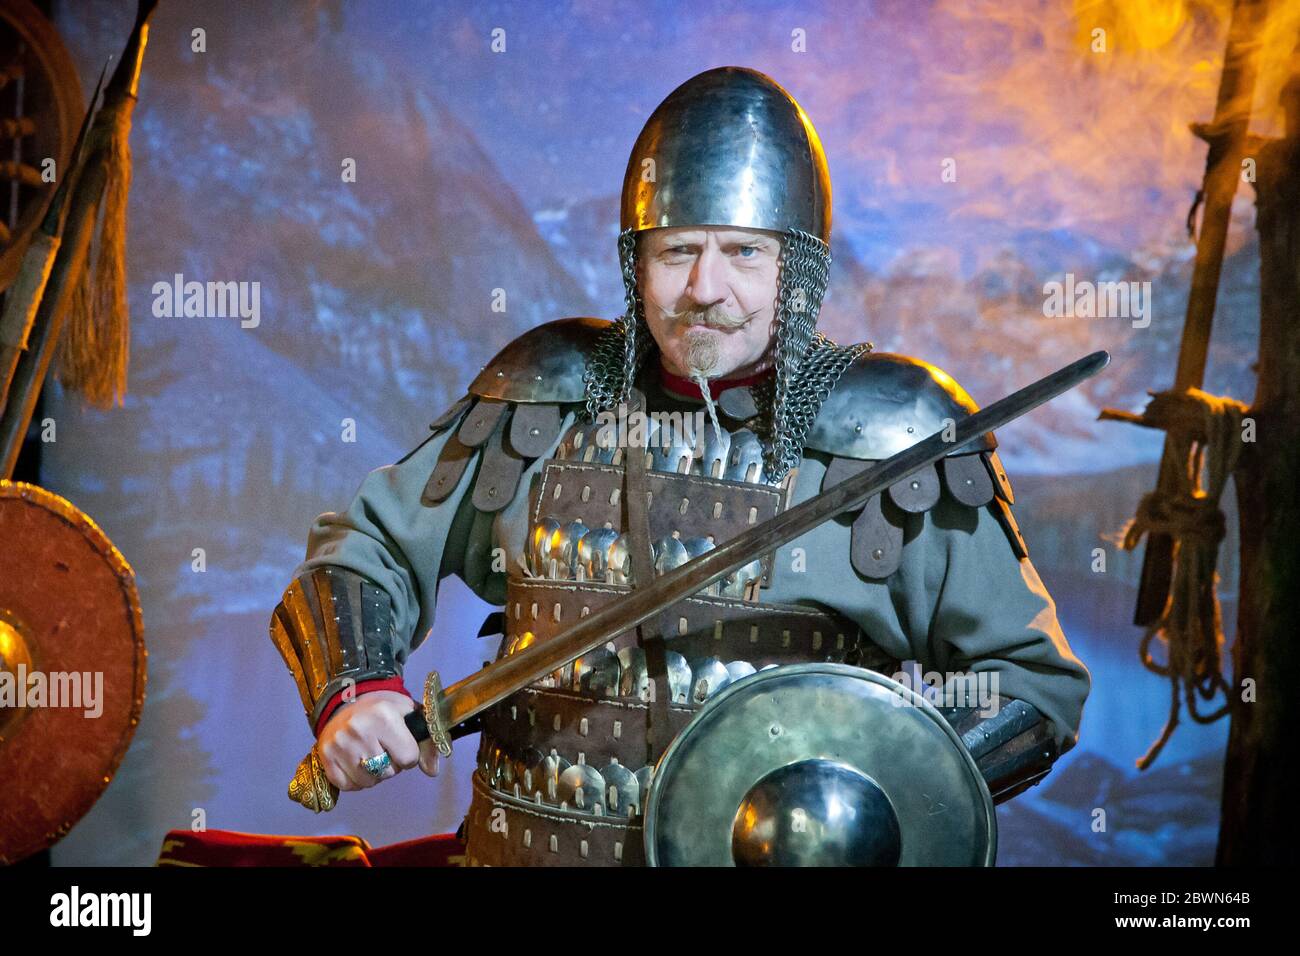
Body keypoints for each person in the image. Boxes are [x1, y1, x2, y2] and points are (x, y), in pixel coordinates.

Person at [268, 66, 1090, 866]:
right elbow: (361, 547)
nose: (705, 286)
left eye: (742, 252)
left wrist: (870, 783)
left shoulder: (892, 435)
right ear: (636, 262)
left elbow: (1031, 689)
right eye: (677, 252)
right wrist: (358, 688)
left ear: (794, 270)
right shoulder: (544, 398)